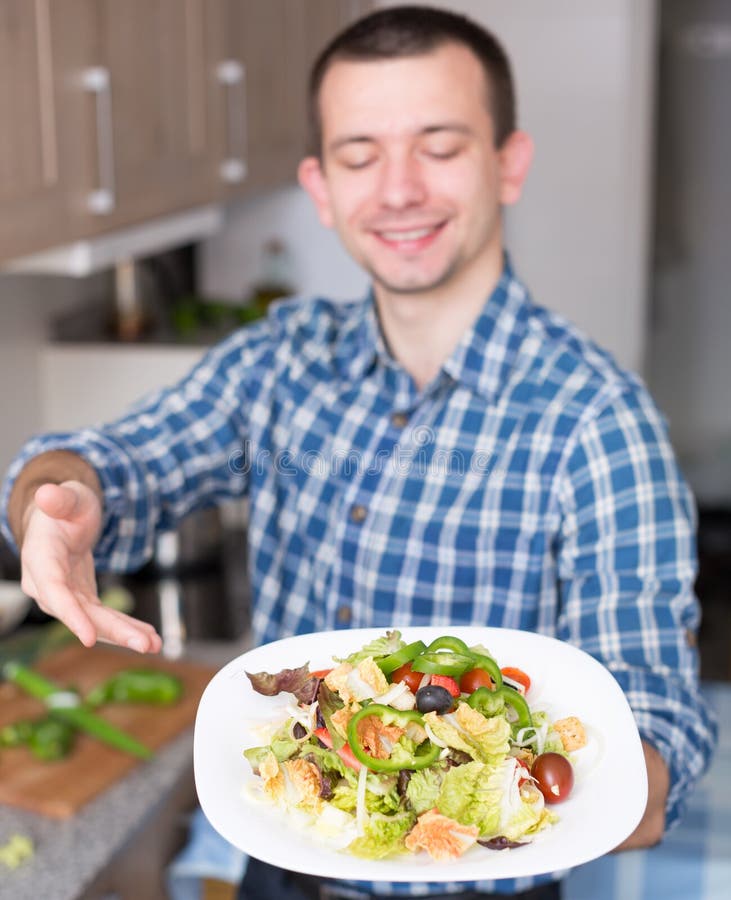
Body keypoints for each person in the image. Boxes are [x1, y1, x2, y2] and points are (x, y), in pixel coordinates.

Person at [0, 6, 716, 900]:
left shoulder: (597, 423)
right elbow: (113, 463)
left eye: (440, 146)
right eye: (360, 154)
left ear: (509, 163)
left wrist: (597, 786)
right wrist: (55, 503)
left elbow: (654, 735)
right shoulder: (279, 361)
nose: (398, 189)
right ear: (320, 185)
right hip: (280, 868)